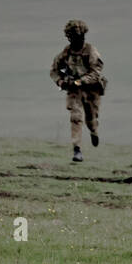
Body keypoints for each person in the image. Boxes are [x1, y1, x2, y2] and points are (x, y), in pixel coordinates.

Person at [49, 19, 106, 162]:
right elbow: (54, 69)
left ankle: (94, 131)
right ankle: (77, 149)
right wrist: (60, 81)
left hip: (91, 90)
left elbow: (96, 72)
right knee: (76, 118)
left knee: (91, 119)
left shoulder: (91, 51)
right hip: (74, 91)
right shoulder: (66, 52)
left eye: (77, 37)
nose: (74, 40)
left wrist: (81, 81)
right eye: (72, 37)